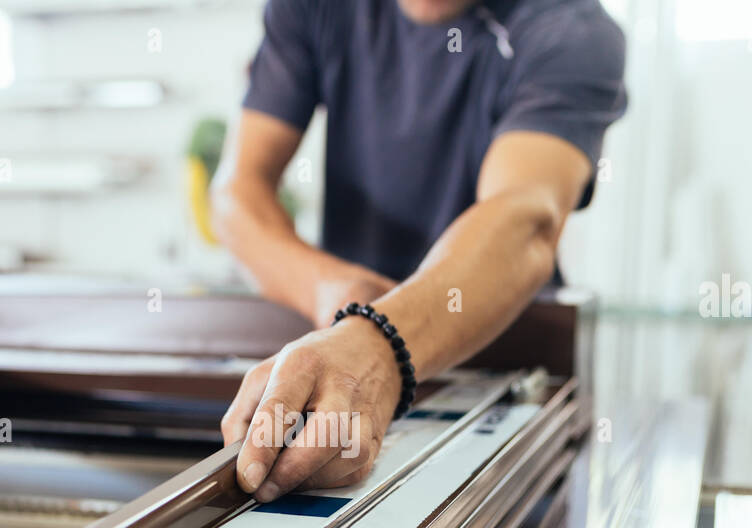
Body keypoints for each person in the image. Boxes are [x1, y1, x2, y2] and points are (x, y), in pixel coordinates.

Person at [213, 0, 627, 502]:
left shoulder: (570, 29)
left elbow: (525, 219)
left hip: (503, 370)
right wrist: (336, 293)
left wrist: (380, 344)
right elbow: (236, 196)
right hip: (343, 353)